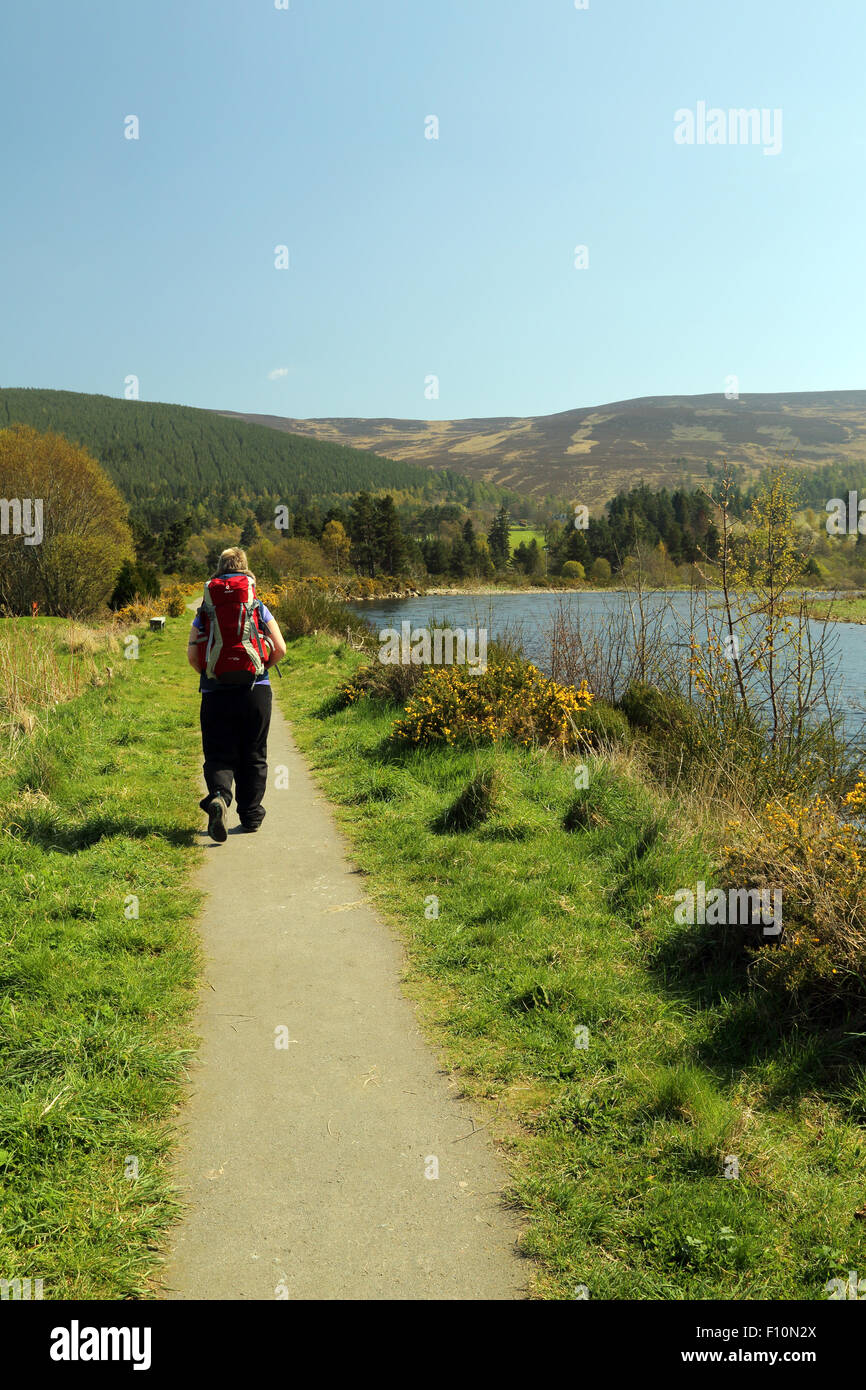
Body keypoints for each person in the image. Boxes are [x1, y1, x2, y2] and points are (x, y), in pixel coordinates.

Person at [187, 548, 287, 842]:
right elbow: (280, 648)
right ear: (245, 570)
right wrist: (260, 668)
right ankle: (252, 815)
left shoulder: (206, 608)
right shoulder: (256, 604)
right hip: (255, 690)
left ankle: (219, 797)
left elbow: (193, 654)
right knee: (254, 753)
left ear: (218, 569)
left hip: (215, 691)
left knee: (218, 752)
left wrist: (210, 675)